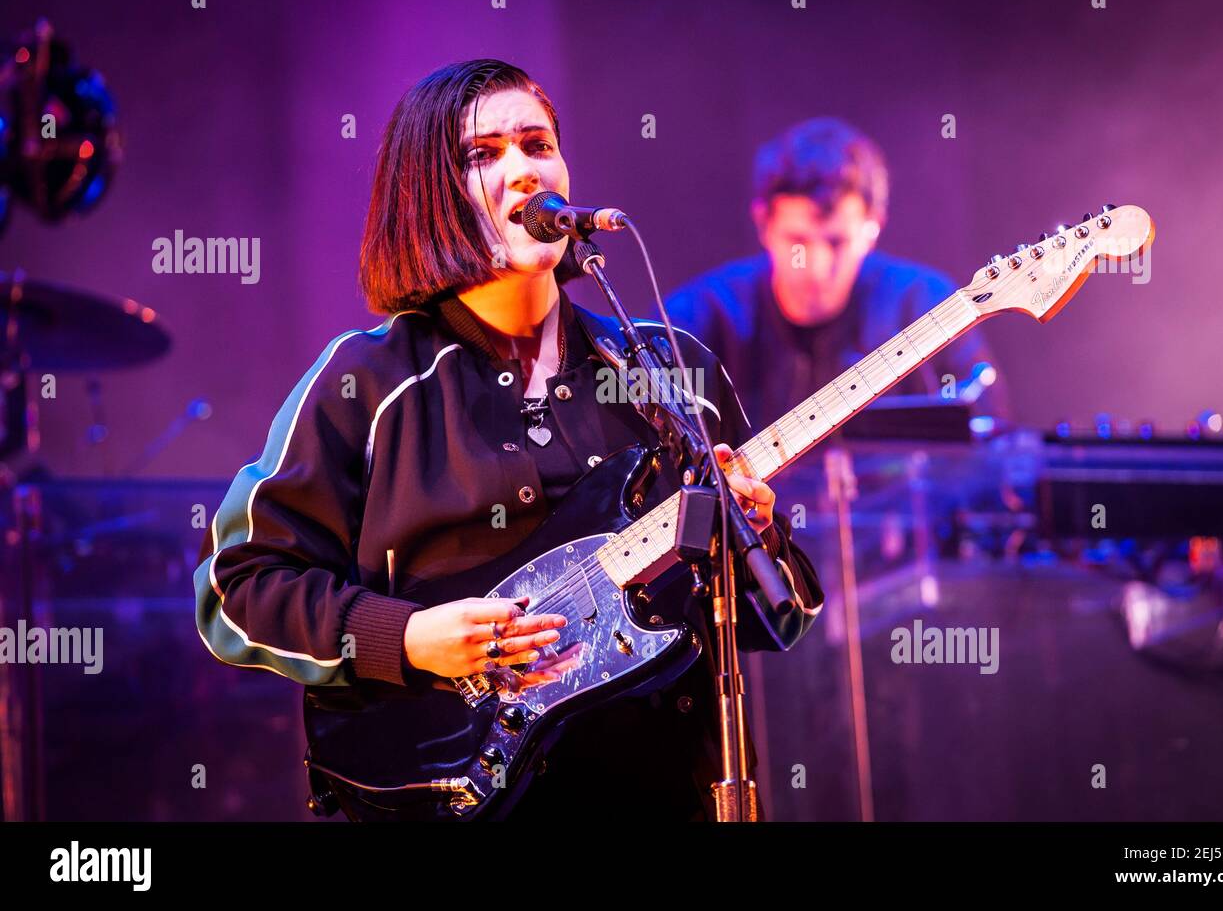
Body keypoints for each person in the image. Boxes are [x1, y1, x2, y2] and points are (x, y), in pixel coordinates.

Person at [192, 59, 823, 821]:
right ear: (429, 193)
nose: (524, 170)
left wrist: (756, 539)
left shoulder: (672, 370)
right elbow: (237, 590)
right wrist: (409, 637)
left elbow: (775, 620)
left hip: (662, 794)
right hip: (441, 799)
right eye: (483, 155)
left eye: (537, 143)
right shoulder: (366, 380)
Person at [665, 117, 1008, 429]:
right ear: (763, 224)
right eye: (797, 241)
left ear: (874, 227)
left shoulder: (927, 306)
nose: (816, 268)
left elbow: (991, 450)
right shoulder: (696, 320)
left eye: (837, 242)